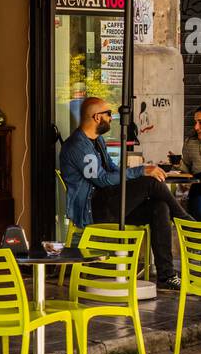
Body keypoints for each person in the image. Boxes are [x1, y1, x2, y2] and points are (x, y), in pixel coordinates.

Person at [59, 97, 188, 291]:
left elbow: (113, 170)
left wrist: (136, 176)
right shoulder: (77, 146)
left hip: (110, 202)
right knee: (151, 182)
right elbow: (102, 179)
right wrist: (141, 172)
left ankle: (166, 275)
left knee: (158, 207)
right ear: (96, 117)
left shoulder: (97, 141)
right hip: (93, 209)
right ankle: (189, 225)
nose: (112, 118)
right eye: (109, 114)